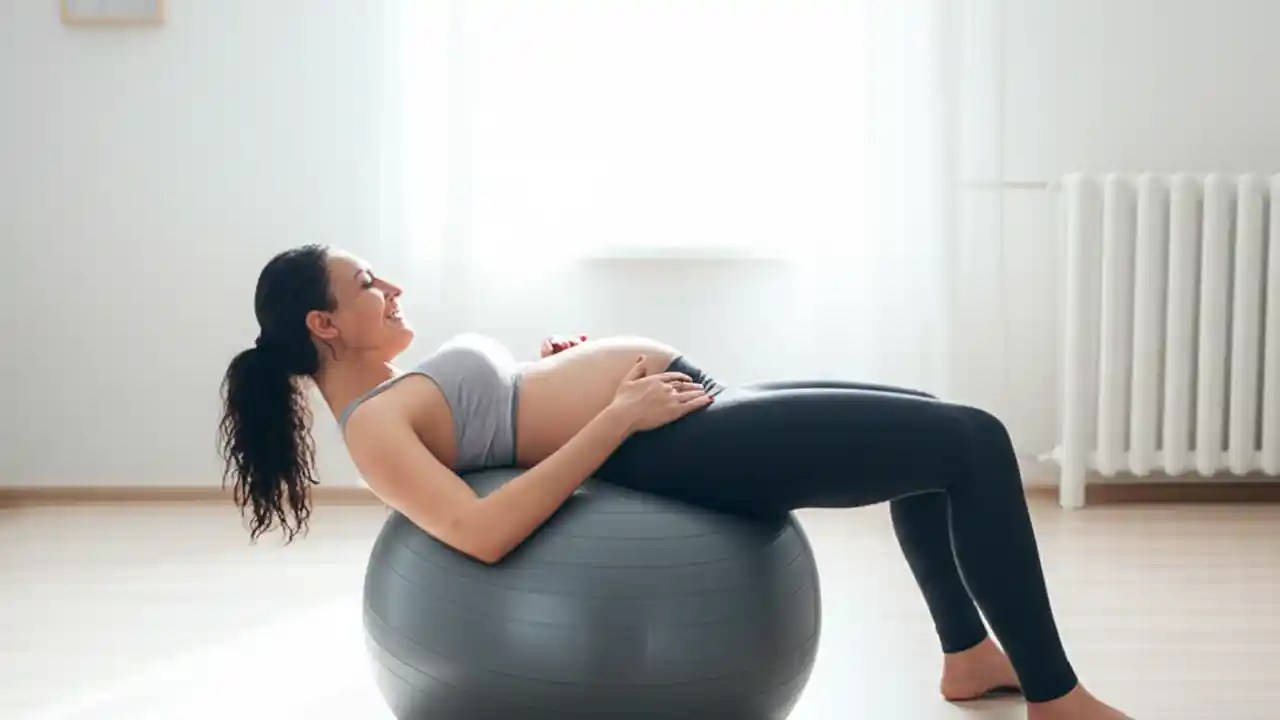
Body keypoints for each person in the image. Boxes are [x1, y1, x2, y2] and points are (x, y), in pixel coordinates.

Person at [218, 244, 1133, 720]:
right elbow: (482, 531)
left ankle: (971, 658)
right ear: (324, 323)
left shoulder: (387, 401)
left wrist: (551, 381)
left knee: (932, 416)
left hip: (679, 408)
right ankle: (1056, 697)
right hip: (665, 446)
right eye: (366, 283)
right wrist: (610, 415)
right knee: (970, 441)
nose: (391, 288)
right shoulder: (373, 430)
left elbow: (498, 431)